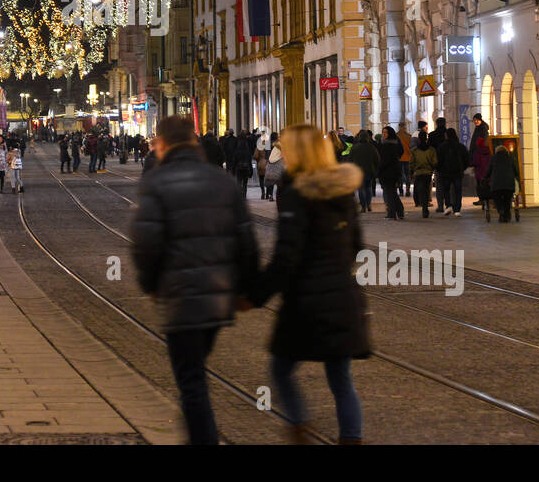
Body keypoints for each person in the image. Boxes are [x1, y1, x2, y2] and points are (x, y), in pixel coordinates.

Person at [131, 116, 257, 445]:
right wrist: (246, 288)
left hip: (180, 297)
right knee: (195, 371)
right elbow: (247, 240)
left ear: (162, 144)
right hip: (218, 295)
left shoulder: (156, 183)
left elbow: (145, 244)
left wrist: (150, 284)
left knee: (191, 381)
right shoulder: (222, 180)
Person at [244, 124, 369, 444]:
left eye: (287, 147)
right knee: (341, 379)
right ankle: (351, 439)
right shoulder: (342, 190)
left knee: (281, 370)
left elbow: (287, 257)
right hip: (343, 297)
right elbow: (356, 245)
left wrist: (255, 294)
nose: (282, 151)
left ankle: (299, 427)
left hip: (307, 302)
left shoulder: (296, 191)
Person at [435, 128, 469, 217]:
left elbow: (438, 160)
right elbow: (466, 159)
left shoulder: (442, 147)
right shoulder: (460, 146)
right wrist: (462, 168)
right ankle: (457, 209)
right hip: (457, 172)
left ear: (447, 135)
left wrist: (439, 169)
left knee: (446, 189)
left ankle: (448, 205)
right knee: (458, 190)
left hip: (445, 172)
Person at [489, 141, 520, 223]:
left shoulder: (493, 158)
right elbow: (515, 171)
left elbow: (489, 171)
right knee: (507, 199)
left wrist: (485, 178)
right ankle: (506, 214)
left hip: (496, 184)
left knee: (497, 198)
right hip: (509, 183)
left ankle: (501, 211)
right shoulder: (510, 158)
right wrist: (517, 177)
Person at [347, 131, 379, 213]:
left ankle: (363, 206)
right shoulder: (371, 147)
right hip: (369, 171)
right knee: (368, 188)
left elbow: (350, 160)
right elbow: (377, 160)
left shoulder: (355, 148)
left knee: (361, 189)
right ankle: (368, 204)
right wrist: (375, 170)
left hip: (358, 172)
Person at [377, 127, 405, 220]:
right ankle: (400, 211)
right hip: (393, 170)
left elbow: (384, 160)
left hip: (388, 172)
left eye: (386, 132)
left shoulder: (387, 145)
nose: (384, 134)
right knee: (392, 193)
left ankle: (392, 213)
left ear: (390, 133)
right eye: (383, 132)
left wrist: (379, 169)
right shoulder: (395, 142)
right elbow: (401, 152)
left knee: (389, 193)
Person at [410, 136, 438, 218]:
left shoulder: (414, 151)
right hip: (428, 173)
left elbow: (411, 162)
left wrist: (411, 172)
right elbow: (435, 162)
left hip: (418, 173)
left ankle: (424, 207)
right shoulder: (431, 150)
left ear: (419, 139)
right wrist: (431, 168)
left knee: (420, 190)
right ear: (426, 139)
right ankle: (425, 207)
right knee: (426, 190)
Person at [471, 135, 493, 209]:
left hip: (479, 173)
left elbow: (476, 162)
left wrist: (470, 163)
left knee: (480, 187)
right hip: (488, 173)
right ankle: (489, 200)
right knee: (487, 186)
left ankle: (481, 200)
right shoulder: (489, 150)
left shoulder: (477, 151)